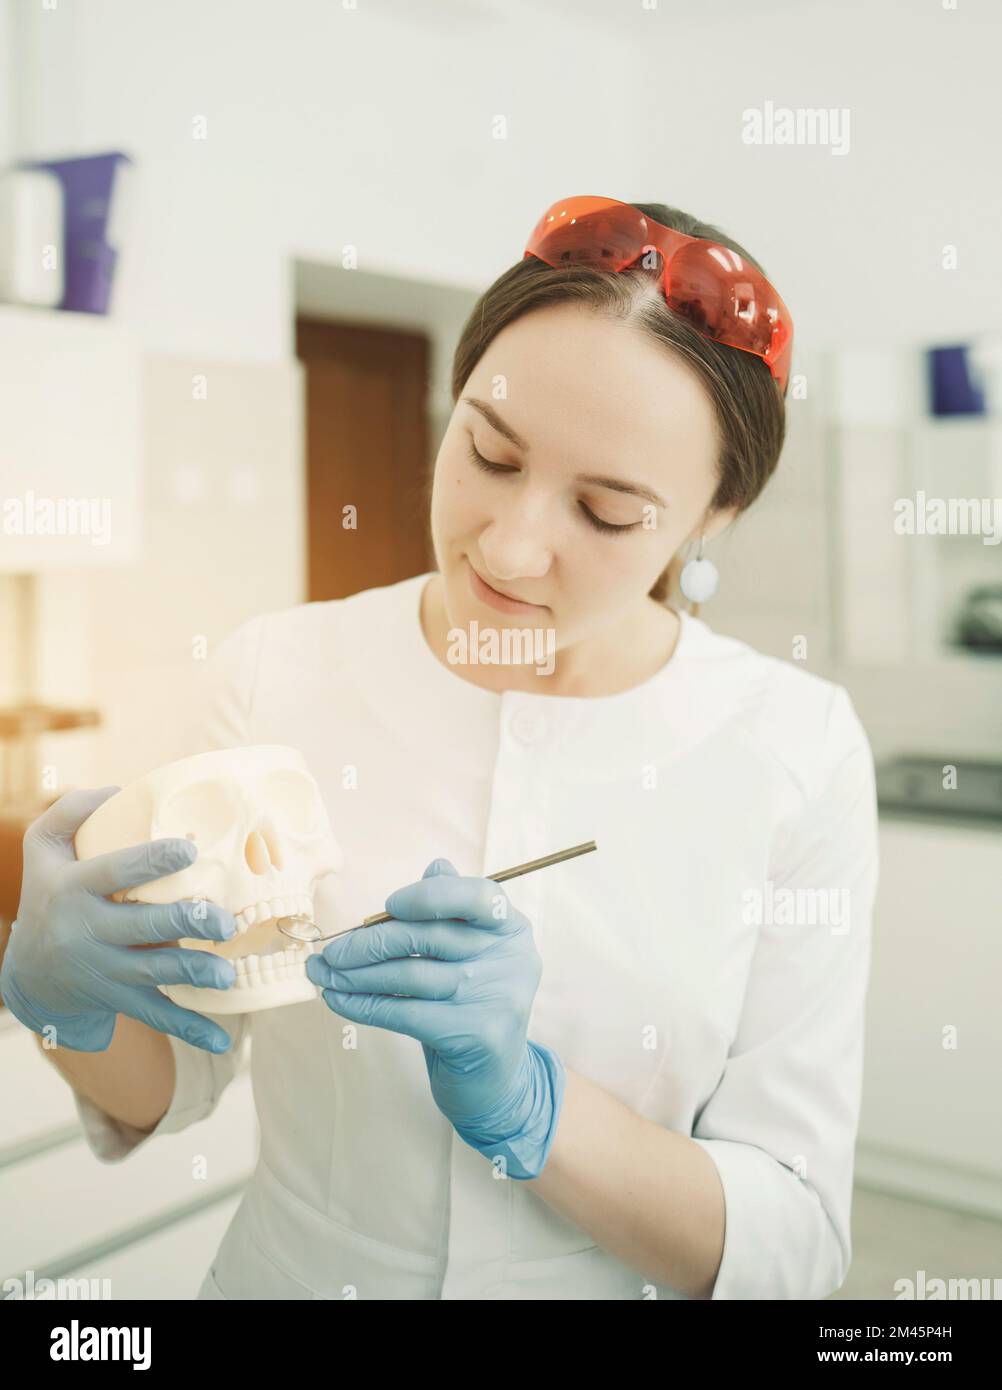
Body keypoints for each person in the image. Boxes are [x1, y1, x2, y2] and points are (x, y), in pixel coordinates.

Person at [0, 197, 877, 1300]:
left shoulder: (796, 749)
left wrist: (533, 1105)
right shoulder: (275, 673)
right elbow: (167, 1082)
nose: (510, 547)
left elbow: (791, 1241)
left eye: (607, 515)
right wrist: (54, 994)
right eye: (489, 452)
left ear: (714, 517)